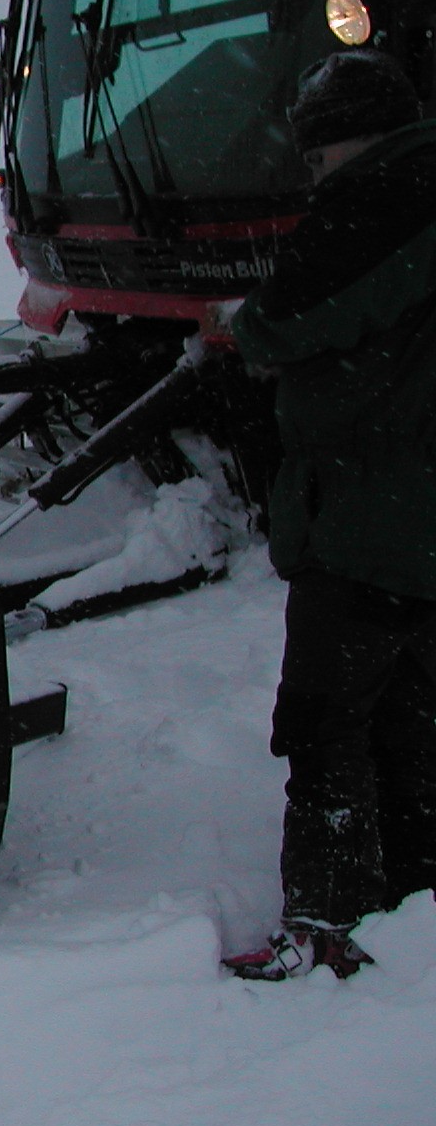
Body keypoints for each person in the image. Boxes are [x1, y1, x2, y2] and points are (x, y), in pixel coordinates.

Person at [224, 49, 436, 980]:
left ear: (343, 144)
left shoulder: (375, 201)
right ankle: (413, 909)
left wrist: (241, 328)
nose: (313, 181)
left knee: (324, 725)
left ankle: (325, 925)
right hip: (416, 519)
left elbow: (285, 320)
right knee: (413, 720)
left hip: (369, 519)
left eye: (314, 162)